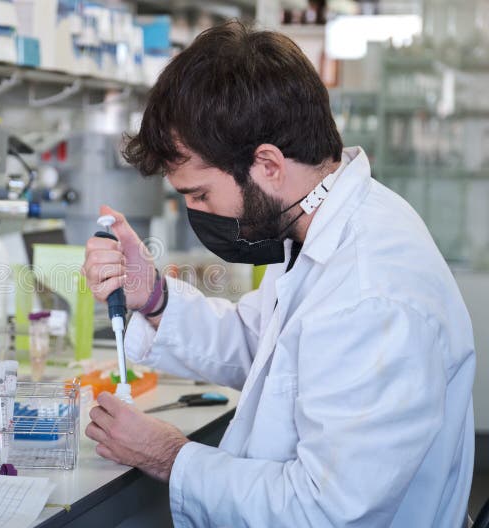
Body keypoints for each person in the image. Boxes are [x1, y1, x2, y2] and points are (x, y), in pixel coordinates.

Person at [81, 20, 475, 527]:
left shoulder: (369, 290)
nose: (199, 212)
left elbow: (326, 512)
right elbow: (264, 345)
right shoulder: (325, 227)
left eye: (200, 194)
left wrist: (172, 458)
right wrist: (151, 295)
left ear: (267, 164)